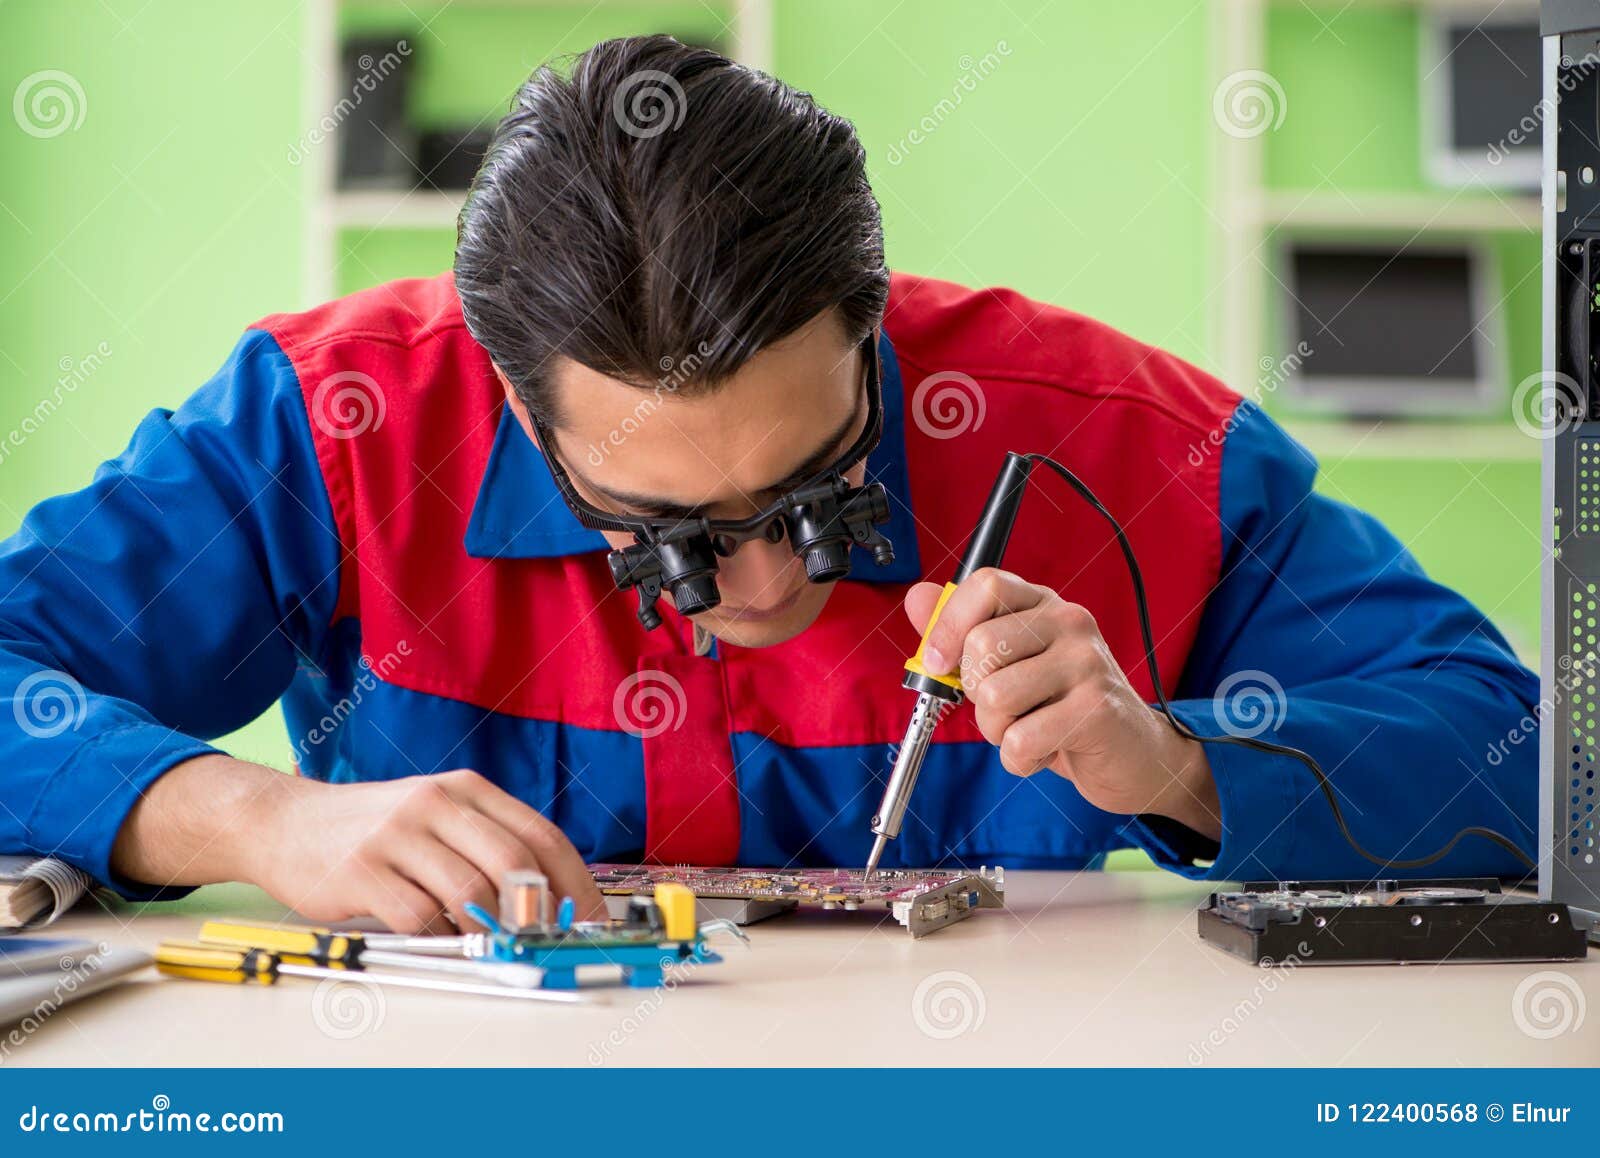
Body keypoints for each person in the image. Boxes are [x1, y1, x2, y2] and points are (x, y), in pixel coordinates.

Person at [0, 36, 1536, 934]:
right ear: (517, 413)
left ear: (874, 331)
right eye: (660, 535)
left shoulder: (1126, 435)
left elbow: (1524, 754)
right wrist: (251, 818)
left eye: (821, 489)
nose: (768, 586)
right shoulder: (330, 425)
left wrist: (1179, 761)